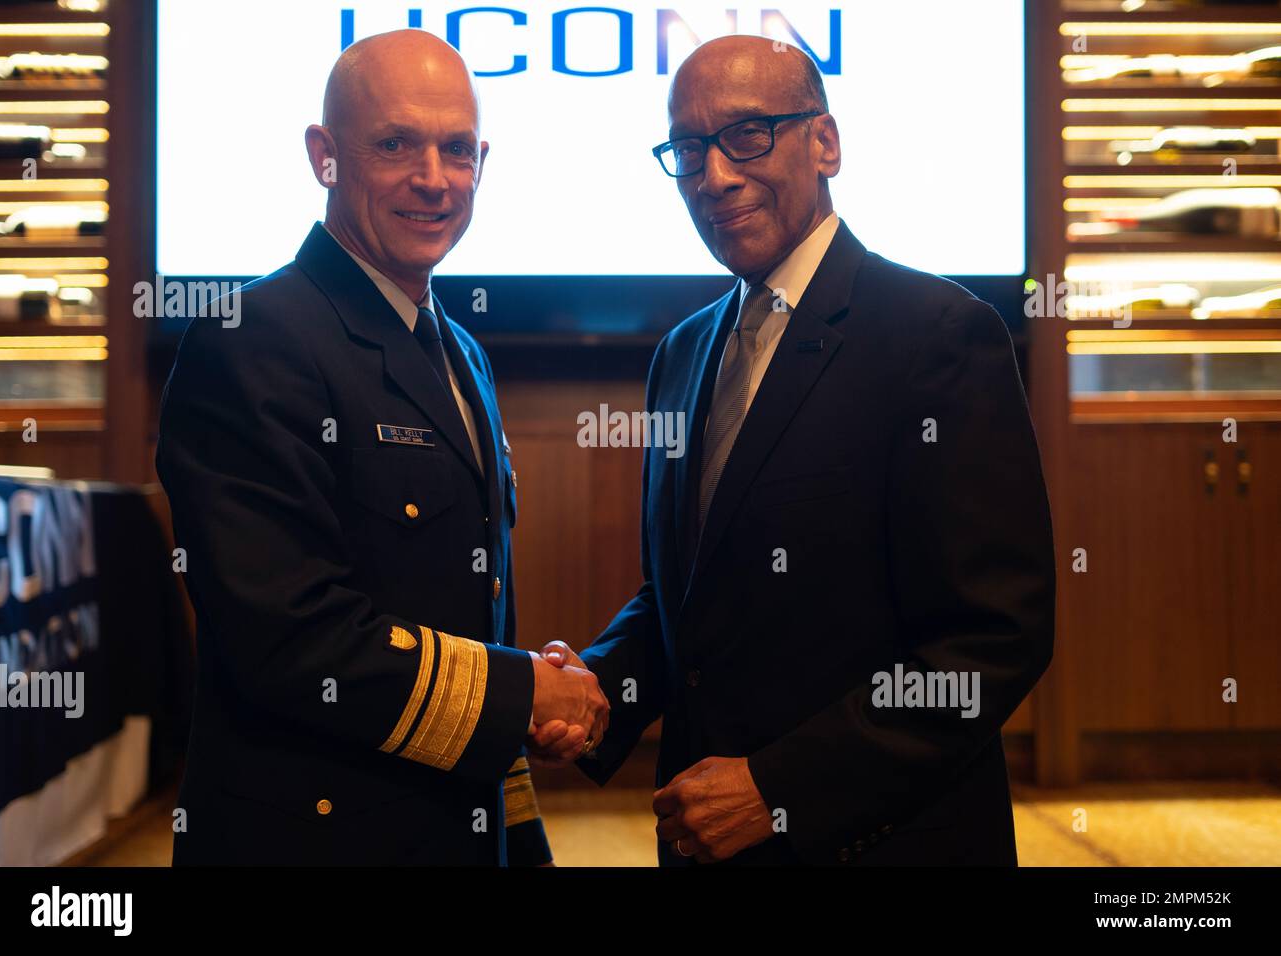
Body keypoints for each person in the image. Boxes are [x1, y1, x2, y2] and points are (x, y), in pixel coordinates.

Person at [536, 35, 1055, 866]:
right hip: (702, 844)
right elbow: (692, 593)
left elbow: (993, 638)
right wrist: (596, 686)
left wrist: (782, 790)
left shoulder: (941, 335)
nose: (715, 176)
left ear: (826, 142)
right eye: (690, 149)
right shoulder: (683, 351)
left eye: (748, 135)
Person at [156, 29, 606, 866]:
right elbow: (291, 641)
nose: (433, 179)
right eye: (395, 144)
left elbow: (459, 607)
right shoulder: (251, 339)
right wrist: (521, 693)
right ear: (324, 155)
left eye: (457, 150)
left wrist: (523, 716)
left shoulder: (459, 352)